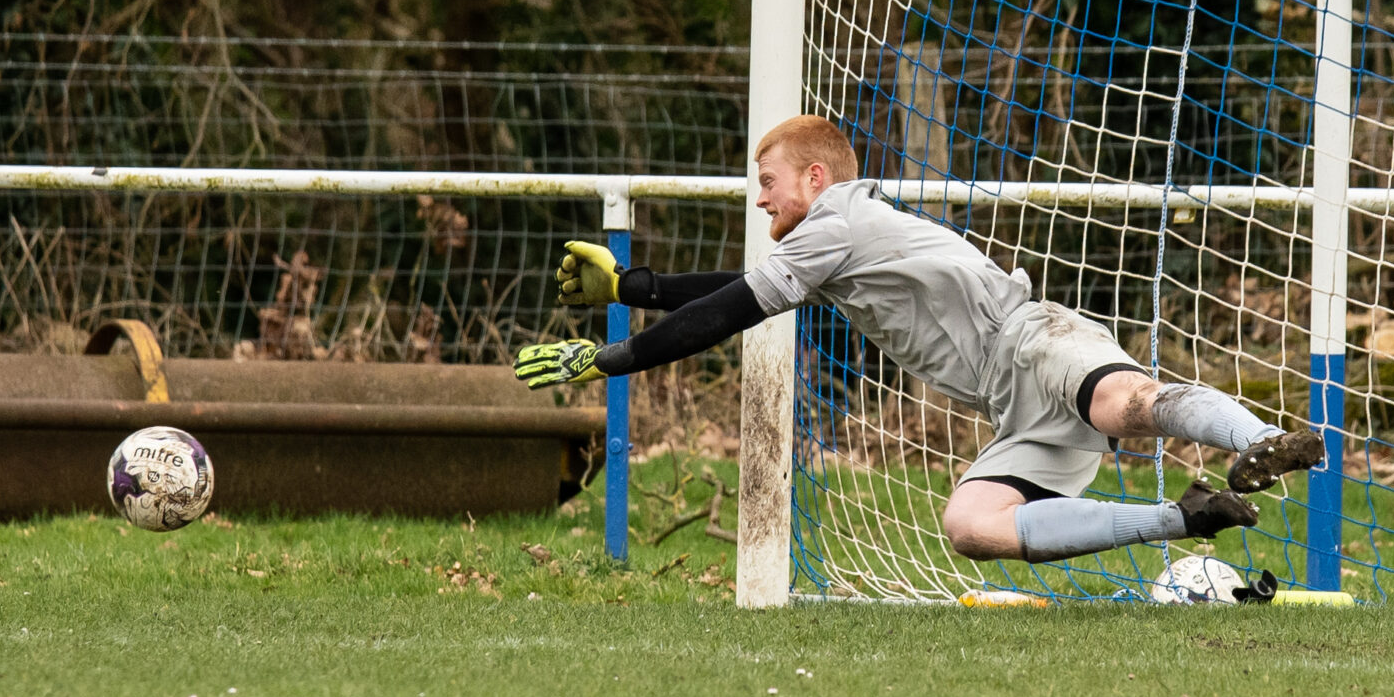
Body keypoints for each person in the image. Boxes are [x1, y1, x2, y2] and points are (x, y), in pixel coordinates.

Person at [513, 114, 1323, 564]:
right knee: (971, 525)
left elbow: (733, 311)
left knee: (1119, 404)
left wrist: (615, 357)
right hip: (1012, 407)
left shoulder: (838, 221)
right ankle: (1187, 517)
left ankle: (1260, 439)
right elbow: (739, 289)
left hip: (1032, 338)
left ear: (815, 179)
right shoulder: (827, 244)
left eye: (767, 183)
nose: (760, 200)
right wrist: (632, 288)